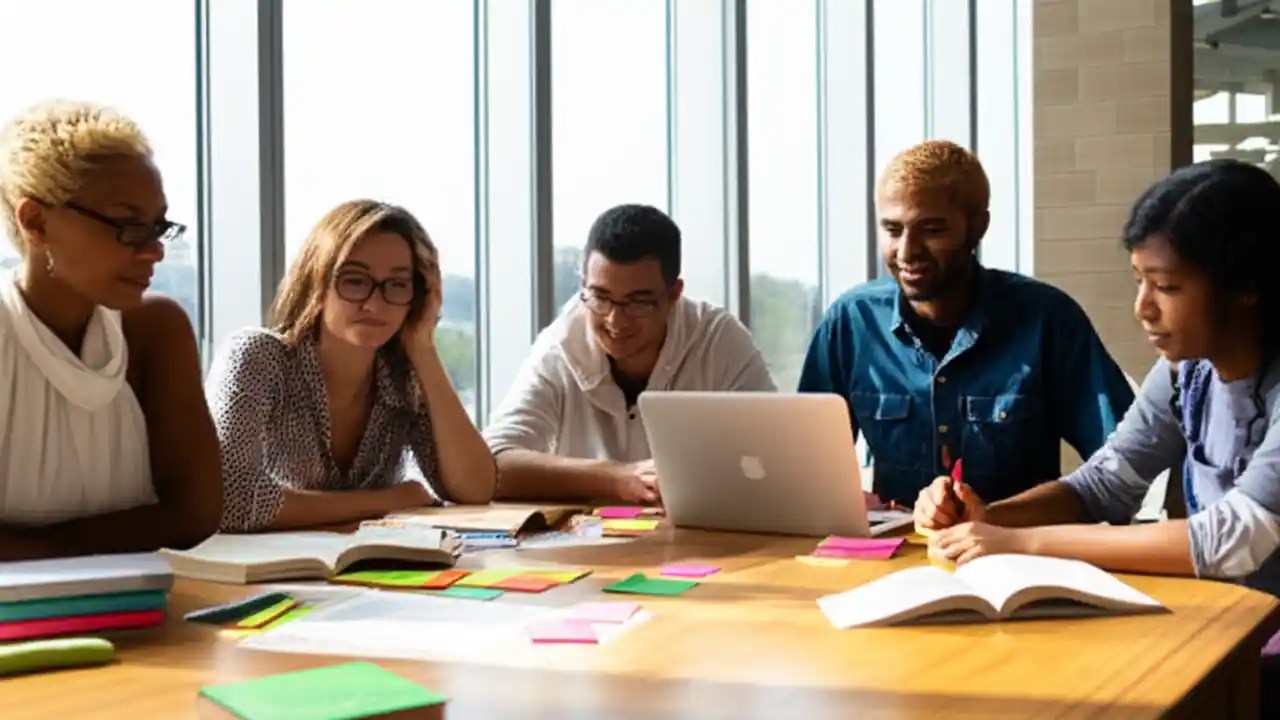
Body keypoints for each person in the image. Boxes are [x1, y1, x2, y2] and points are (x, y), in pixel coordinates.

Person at [914, 159, 1280, 714]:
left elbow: (1235, 539)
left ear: (1246, 287)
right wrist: (986, 519)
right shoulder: (1188, 372)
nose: (1143, 309)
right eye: (1140, 282)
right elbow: (1104, 484)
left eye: (1167, 286)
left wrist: (1023, 543)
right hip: (1225, 631)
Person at [799, 140, 1133, 507]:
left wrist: (992, 519)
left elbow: (1120, 466)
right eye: (893, 231)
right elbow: (803, 471)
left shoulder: (1047, 320)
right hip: (893, 554)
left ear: (978, 226)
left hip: (1016, 553)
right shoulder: (851, 322)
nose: (908, 252)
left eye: (931, 230)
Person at [0, 100, 223, 558]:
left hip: (142, 614)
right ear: (36, 222)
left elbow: (194, 516)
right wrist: (122, 537)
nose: (154, 252)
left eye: (158, 226)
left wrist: (27, 547)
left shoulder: (156, 331)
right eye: (127, 225)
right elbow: (175, 520)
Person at [206, 200, 496, 532]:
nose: (375, 304)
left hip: (367, 573)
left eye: (397, 285)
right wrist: (388, 500)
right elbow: (229, 501)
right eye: (355, 281)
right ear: (317, 282)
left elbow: (475, 488)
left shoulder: (404, 375)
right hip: (260, 573)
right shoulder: (258, 357)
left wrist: (424, 347)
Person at [485, 203, 775, 504]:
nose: (615, 321)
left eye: (638, 303)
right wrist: (617, 479)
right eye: (601, 298)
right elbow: (494, 464)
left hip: (707, 540)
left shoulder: (718, 339)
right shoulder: (560, 345)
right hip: (590, 547)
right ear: (584, 285)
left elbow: (777, 456)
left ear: (674, 294)